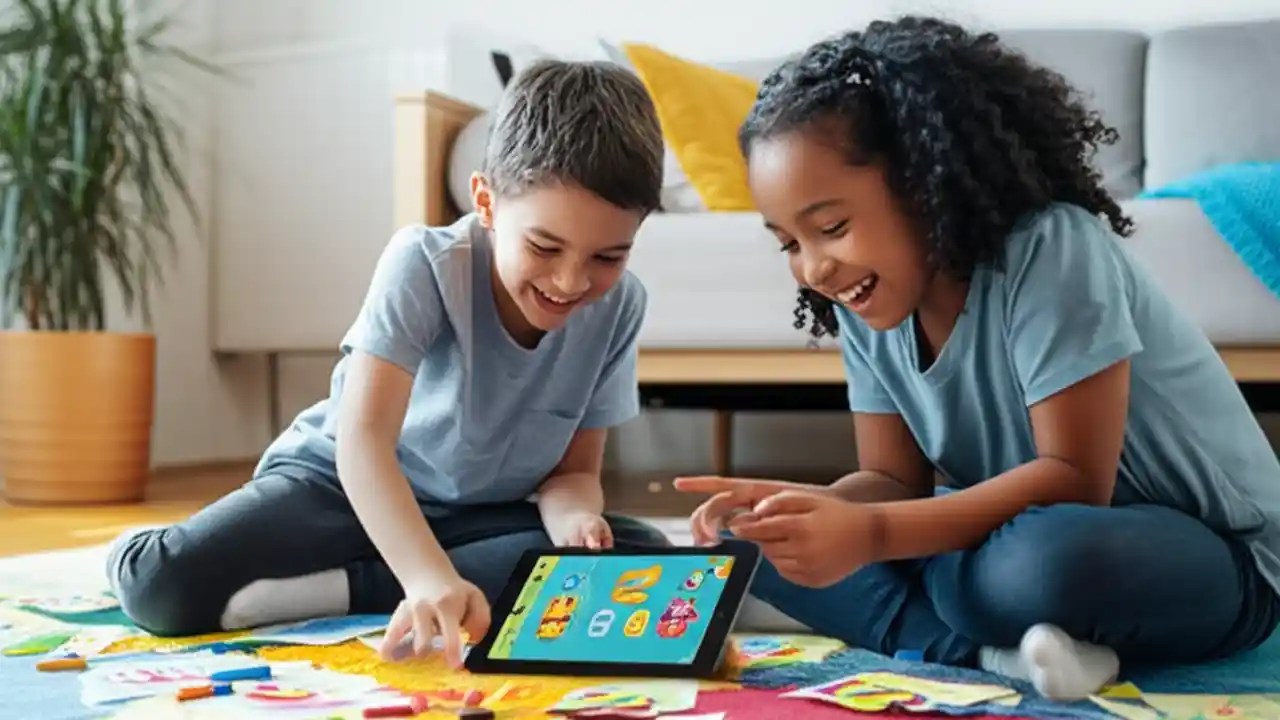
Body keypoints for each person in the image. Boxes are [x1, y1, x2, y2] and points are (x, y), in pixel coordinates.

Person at [676, 16, 1280, 701]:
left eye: (831, 228)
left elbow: (1074, 480)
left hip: (1212, 561)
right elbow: (891, 481)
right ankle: (1004, 655)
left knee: (1038, 565)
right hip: (1014, 534)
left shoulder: (1052, 247)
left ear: (922, 184)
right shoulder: (867, 299)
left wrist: (873, 534)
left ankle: (966, 620)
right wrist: (808, 509)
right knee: (750, 547)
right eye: (789, 243)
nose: (814, 268)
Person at [107, 59, 671, 667]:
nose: (571, 281)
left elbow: (572, 474)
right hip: (343, 488)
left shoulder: (620, 306)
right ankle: (409, 580)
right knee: (159, 586)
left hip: (478, 514)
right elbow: (364, 444)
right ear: (486, 202)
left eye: (608, 257)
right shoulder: (424, 263)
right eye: (544, 246)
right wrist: (426, 573)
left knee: (643, 554)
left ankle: (344, 590)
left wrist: (576, 519)